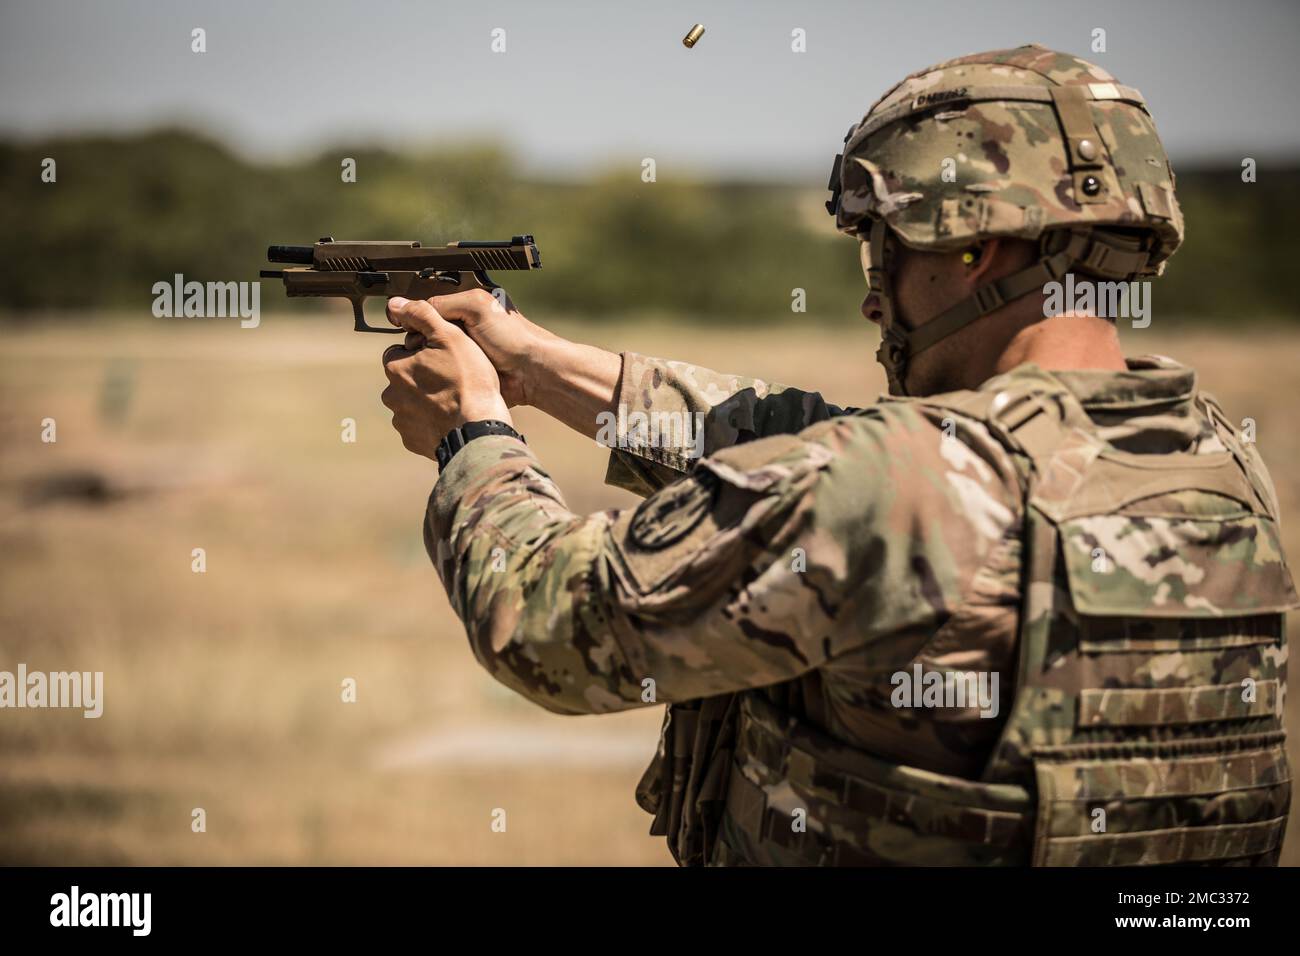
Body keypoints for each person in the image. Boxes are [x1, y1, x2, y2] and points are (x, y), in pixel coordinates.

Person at [379, 44, 1297, 866]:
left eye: (885, 248)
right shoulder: (1216, 460)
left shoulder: (899, 482)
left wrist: (473, 437)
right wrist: (536, 366)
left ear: (974, 247)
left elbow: (544, 624)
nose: (874, 299)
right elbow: (822, 450)